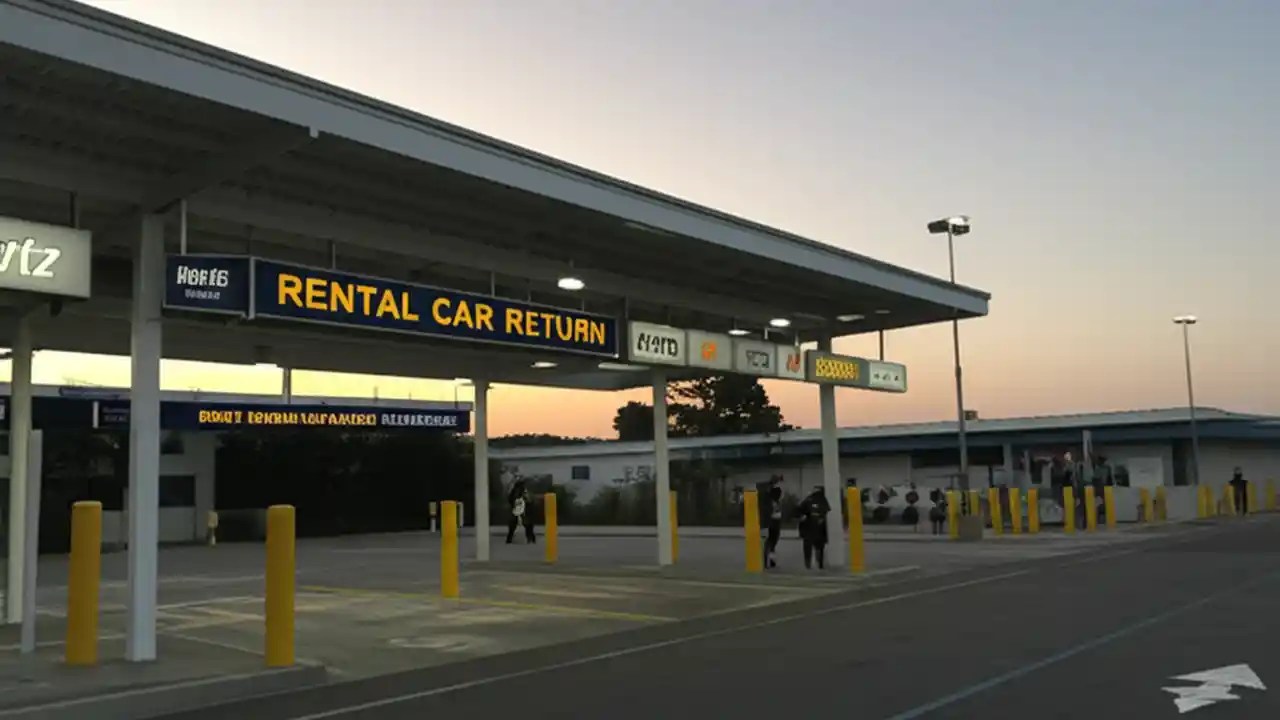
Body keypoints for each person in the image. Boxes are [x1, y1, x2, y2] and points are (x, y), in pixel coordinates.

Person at [796, 486, 831, 570]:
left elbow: (799, 510)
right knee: (819, 546)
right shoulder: (822, 499)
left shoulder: (808, 499)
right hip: (818, 526)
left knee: (809, 545)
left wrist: (802, 517)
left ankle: (809, 563)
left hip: (809, 526)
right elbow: (826, 511)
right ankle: (819, 562)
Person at [506, 480, 536, 544]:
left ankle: (509, 539)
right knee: (527, 525)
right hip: (522, 511)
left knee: (515, 525)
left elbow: (511, 500)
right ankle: (531, 539)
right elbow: (529, 501)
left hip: (518, 511)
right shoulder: (521, 492)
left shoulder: (515, 491)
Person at [764, 482, 783, 568]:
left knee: (771, 542)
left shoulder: (773, 501)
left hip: (774, 522)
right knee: (771, 542)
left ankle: (770, 560)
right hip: (773, 522)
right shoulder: (773, 502)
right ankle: (768, 560)